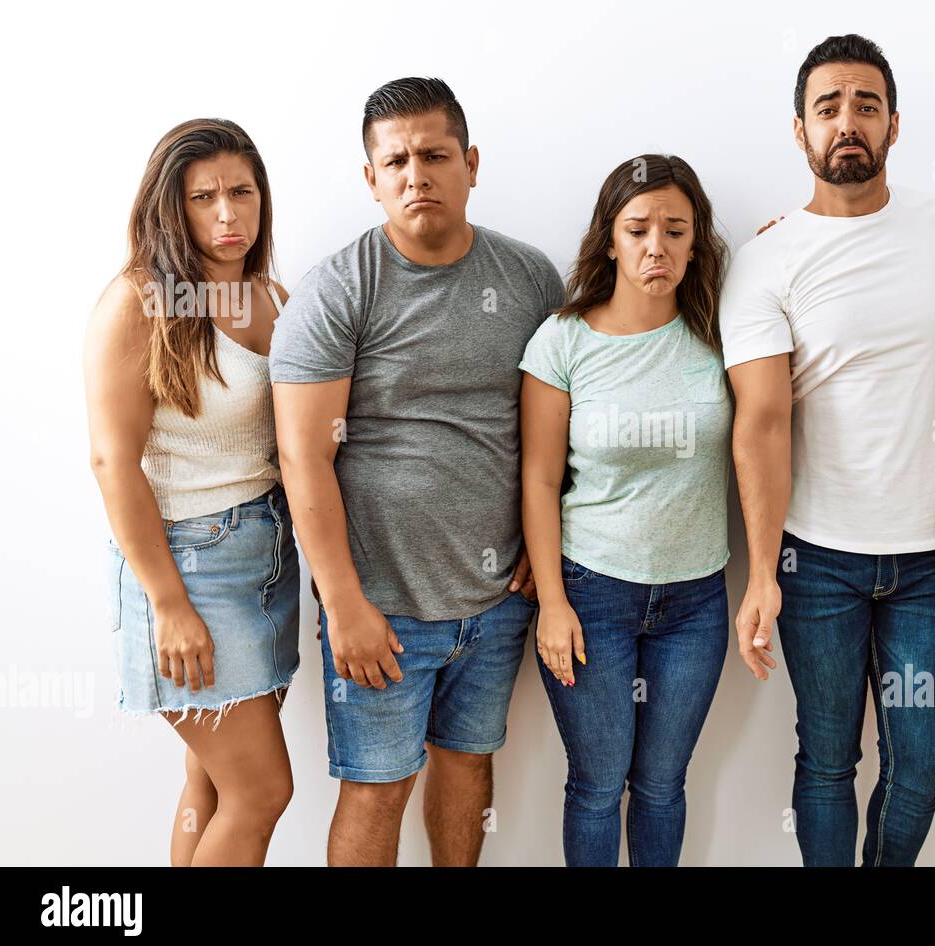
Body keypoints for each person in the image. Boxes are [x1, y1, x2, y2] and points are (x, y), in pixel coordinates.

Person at [268, 77, 565, 866]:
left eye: (434, 155)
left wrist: (545, 547)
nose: (415, 174)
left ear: (470, 162)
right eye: (394, 160)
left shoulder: (531, 279)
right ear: (371, 178)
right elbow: (303, 459)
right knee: (376, 790)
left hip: (497, 601)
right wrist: (344, 604)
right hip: (380, 607)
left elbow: (559, 426)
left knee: (468, 769)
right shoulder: (340, 289)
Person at [719, 34, 935, 866]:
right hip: (818, 562)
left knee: (922, 773)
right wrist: (762, 573)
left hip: (932, 562)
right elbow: (760, 424)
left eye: (865, 105)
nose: (847, 122)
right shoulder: (766, 259)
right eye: (827, 107)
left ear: (894, 126)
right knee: (828, 760)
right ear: (799, 129)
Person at [84, 118, 299, 865]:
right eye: (204, 197)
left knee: (212, 780)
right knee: (263, 792)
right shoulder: (139, 302)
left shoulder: (271, 296)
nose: (229, 214)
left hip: (268, 555)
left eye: (242, 192)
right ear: (171, 208)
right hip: (189, 564)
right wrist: (169, 603)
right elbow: (114, 463)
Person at [519, 154, 731, 866]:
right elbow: (540, 480)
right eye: (637, 228)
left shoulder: (721, 333)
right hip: (592, 595)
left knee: (663, 785)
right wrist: (552, 602)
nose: (656, 247)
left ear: (695, 240)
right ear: (609, 239)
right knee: (598, 784)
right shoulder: (563, 340)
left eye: (675, 230)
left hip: (697, 601)